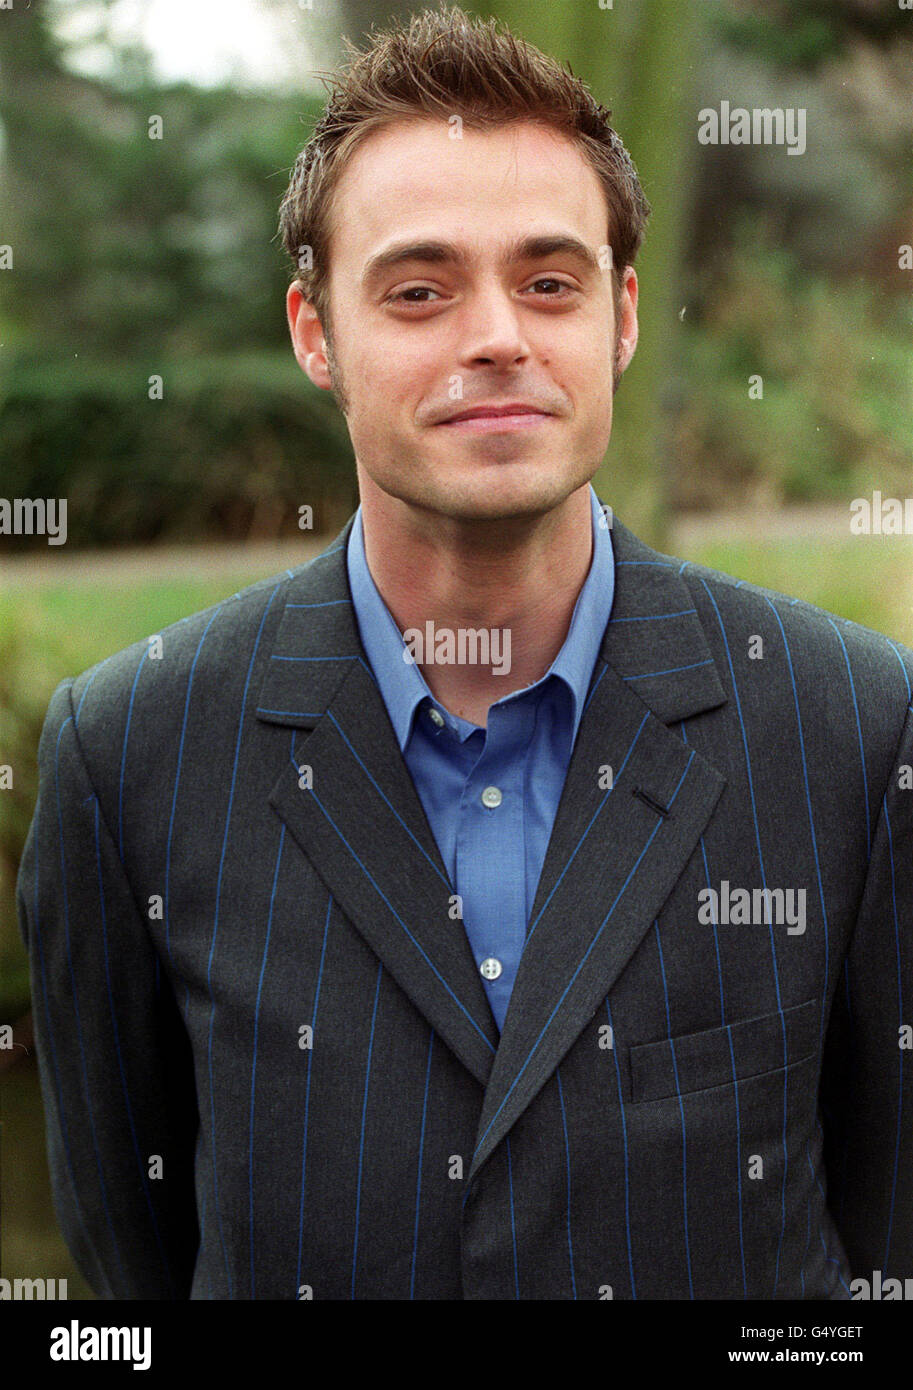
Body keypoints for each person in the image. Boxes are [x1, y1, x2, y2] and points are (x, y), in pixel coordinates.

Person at [18, 4, 912, 1300]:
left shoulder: (853, 723)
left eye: (547, 280)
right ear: (315, 332)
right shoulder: (128, 752)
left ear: (619, 318)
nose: (496, 332)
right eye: (420, 287)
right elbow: (133, 1264)